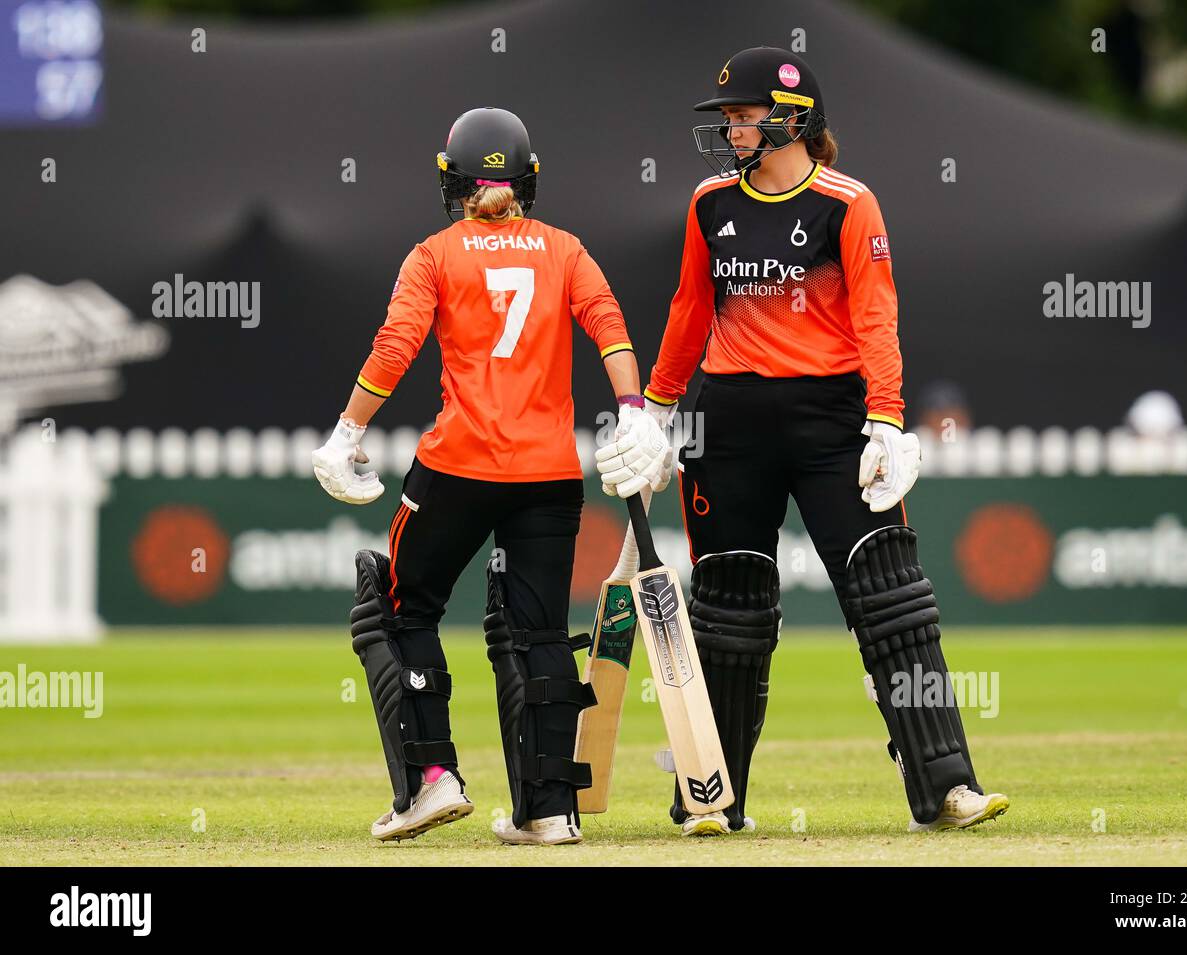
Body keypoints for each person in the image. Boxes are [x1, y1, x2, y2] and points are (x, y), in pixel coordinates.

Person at [599, 47, 1009, 836]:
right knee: (729, 613)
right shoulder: (709, 202)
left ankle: (947, 786)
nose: (730, 130)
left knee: (891, 601)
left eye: (743, 116)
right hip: (730, 425)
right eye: (727, 118)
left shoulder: (847, 205)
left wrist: (887, 420)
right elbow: (690, 309)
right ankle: (708, 797)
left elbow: (876, 314)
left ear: (792, 119)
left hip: (833, 422)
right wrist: (654, 411)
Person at [312, 107, 669, 847]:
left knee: (398, 607)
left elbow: (395, 345)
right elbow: (610, 325)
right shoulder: (565, 249)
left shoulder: (434, 255)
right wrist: (635, 411)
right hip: (547, 473)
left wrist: (348, 431)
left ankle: (429, 781)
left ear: (453, 179)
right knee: (536, 632)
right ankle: (548, 810)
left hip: (459, 466)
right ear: (528, 178)